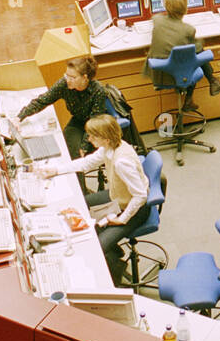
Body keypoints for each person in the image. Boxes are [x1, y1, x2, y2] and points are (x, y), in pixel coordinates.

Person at [36, 116, 149, 285]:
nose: (89, 139)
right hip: (118, 197)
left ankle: (114, 277)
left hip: (135, 210)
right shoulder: (109, 147)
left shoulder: (121, 162)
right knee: (80, 205)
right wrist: (56, 170)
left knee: (97, 247)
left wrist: (121, 219)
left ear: (105, 138)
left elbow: (140, 196)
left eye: (93, 136)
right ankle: (115, 250)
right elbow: (86, 163)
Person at [17, 56, 111, 191]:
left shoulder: (98, 91)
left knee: (76, 152)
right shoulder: (65, 84)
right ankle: (68, 183)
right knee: (64, 147)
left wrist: (84, 146)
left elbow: (94, 121)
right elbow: (43, 100)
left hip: (95, 128)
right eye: (66, 75)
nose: (68, 79)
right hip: (78, 121)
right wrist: (20, 117)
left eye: (72, 77)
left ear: (85, 78)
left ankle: (81, 193)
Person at [144, 0, 220, 108]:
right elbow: (197, 48)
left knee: (190, 54)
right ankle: (211, 82)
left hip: (158, 74)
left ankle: (208, 86)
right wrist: (199, 41)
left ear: (166, 6)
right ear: (186, 8)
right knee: (195, 54)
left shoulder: (157, 20)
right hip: (179, 74)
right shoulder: (188, 29)